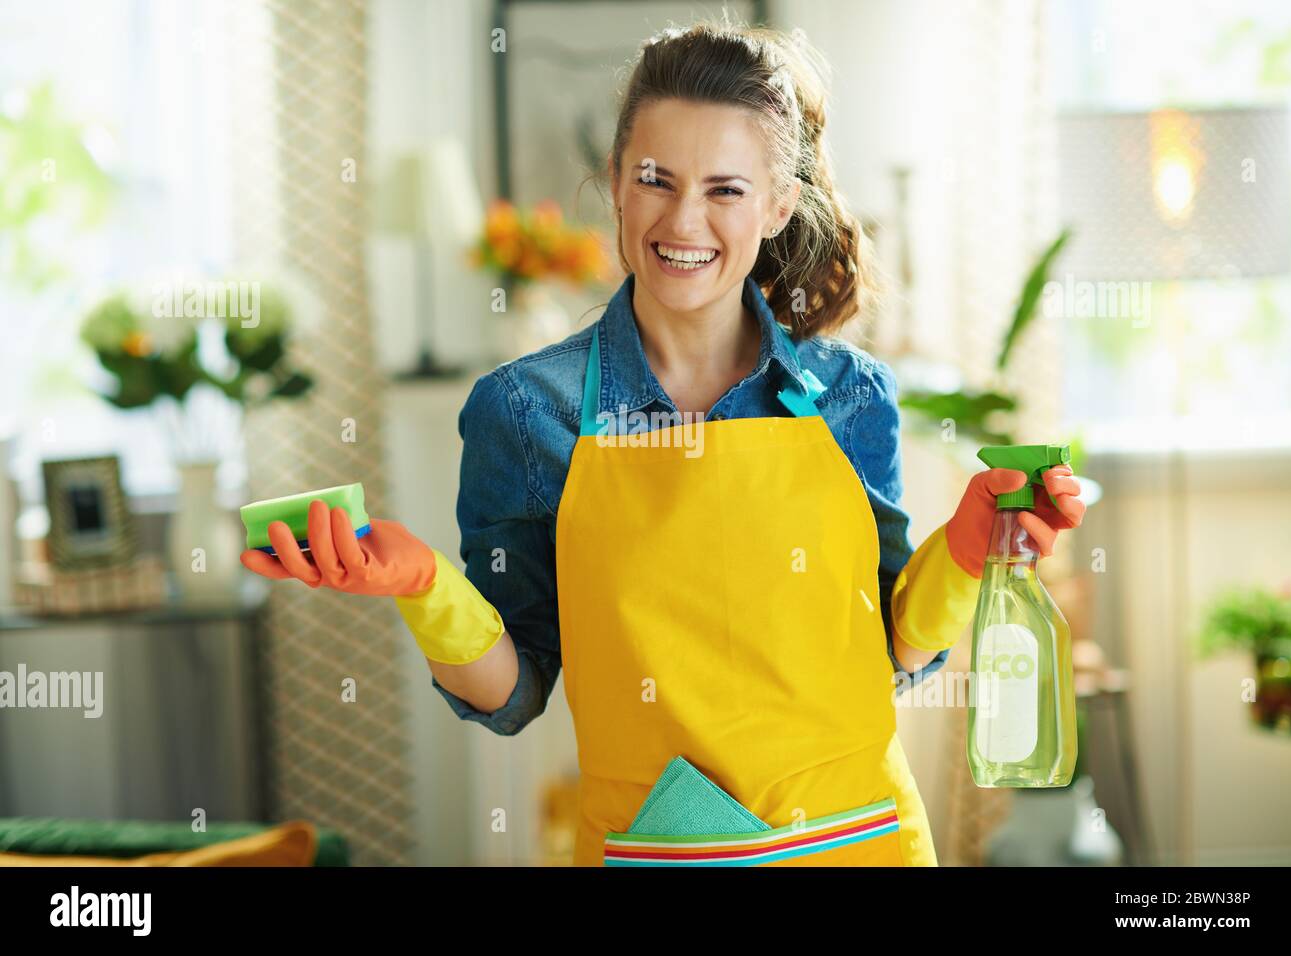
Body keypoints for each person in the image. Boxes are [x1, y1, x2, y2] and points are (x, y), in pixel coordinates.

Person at [241, 20, 1084, 866]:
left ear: (778, 205)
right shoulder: (528, 410)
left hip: (861, 842)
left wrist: (973, 547)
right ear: (615, 182)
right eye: (656, 179)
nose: (685, 220)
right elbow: (513, 691)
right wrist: (422, 585)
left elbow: (895, 656)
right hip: (653, 852)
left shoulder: (850, 394)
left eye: (725, 189)